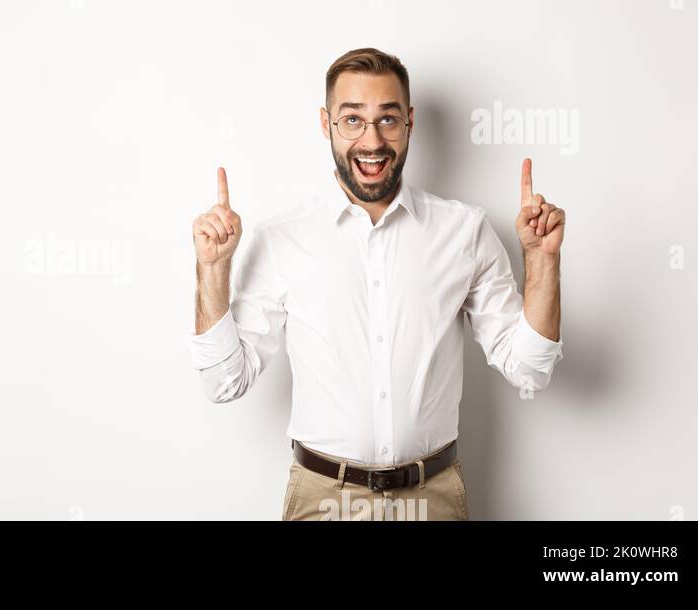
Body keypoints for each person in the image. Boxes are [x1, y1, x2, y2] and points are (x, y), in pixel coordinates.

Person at [190, 48, 565, 521]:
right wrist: (212, 270)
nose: (372, 140)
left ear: (409, 122)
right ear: (326, 124)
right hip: (322, 499)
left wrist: (542, 262)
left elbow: (529, 370)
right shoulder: (281, 238)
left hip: (434, 499)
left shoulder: (464, 231)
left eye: (387, 119)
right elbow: (224, 382)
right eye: (352, 120)